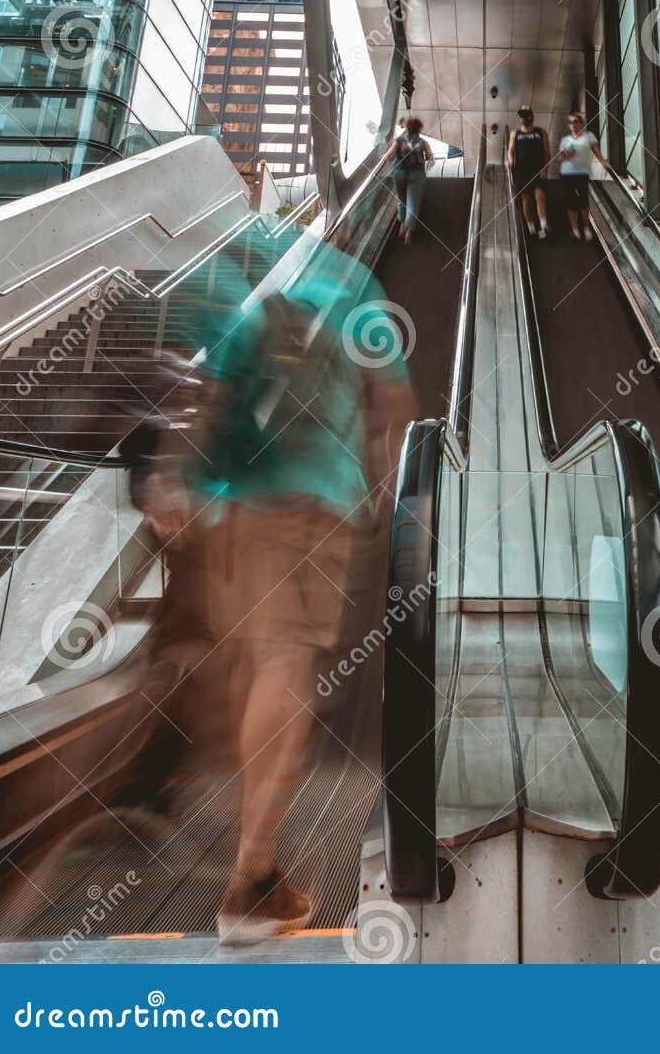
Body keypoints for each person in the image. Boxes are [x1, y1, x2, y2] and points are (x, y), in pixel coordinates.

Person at [189, 247, 415, 945]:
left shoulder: (268, 290)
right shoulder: (354, 284)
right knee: (288, 667)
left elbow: (216, 392)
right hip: (316, 500)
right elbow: (395, 401)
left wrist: (192, 491)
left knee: (259, 665)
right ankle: (250, 877)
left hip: (239, 506)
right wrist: (389, 486)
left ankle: (255, 860)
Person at [556, 110, 608, 241]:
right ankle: (575, 230)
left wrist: (603, 162)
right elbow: (560, 158)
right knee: (571, 202)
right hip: (567, 174)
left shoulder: (589, 136)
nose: (573, 125)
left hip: (582, 173)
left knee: (583, 201)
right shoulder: (565, 140)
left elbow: (596, 151)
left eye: (575, 122)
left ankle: (586, 228)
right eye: (570, 122)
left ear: (581, 123)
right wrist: (566, 154)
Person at [384, 115, 433, 243]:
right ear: (419, 129)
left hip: (399, 172)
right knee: (413, 203)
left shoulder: (399, 140)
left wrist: (385, 157)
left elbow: (389, 157)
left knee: (401, 200)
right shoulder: (423, 142)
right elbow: (429, 157)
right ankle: (408, 231)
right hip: (417, 174)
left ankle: (401, 225)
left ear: (406, 127)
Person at [507, 105, 551, 238]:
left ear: (532, 116)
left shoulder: (541, 132)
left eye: (526, 115)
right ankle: (531, 228)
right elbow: (511, 150)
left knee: (540, 196)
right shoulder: (515, 133)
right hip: (521, 171)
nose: (524, 118)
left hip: (537, 170)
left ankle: (544, 226)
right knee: (525, 199)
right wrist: (510, 160)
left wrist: (545, 169)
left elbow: (547, 152)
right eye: (522, 116)